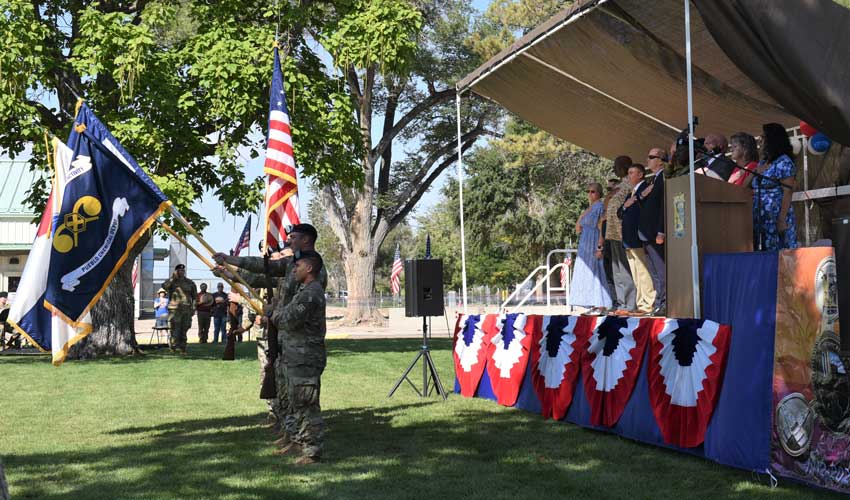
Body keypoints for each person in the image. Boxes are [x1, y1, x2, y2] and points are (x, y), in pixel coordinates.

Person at [213, 223, 327, 455]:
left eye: (293, 237)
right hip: (287, 342)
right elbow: (266, 270)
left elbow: (291, 312)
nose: (289, 241)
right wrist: (230, 266)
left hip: (302, 344)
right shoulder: (294, 264)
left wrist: (273, 313)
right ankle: (293, 438)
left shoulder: (312, 271)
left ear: (306, 240)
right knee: (289, 396)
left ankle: (310, 448)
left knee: (304, 399)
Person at [273, 250, 327, 465]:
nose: (294, 269)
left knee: (307, 405)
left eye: (298, 266)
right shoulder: (303, 290)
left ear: (309, 268)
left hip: (305, 357)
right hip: (295, 355)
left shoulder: (311, 293)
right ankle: (298, 441)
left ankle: (312, 452)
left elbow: (288, 319)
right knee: (296, 403)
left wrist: (274, 314)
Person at [599, 156, 637, 313]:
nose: (614, 169)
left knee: (625, 268)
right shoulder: (620, 185)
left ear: (624, 167)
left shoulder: (629, 184)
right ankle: (621, 303)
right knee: (616, 269)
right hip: (611, 232)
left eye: (617, 166)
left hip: (622, 231)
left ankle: (630, 303)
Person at [618, 164, 656, 315]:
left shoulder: (646, 188)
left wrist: (635, 200)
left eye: (631, 173)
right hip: (628, 238)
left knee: (643, 273)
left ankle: (648, 304)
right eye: (628, 173)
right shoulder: (630, 193)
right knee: (635, 274)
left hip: (638, 237)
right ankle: (641, 304)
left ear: (640, 174)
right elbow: (619, 212)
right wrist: (626, 206)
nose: (629, 176)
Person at [753, 123, 798, 250]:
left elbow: (787, 192)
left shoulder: (784, 162)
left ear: (773, 139)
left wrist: (782, 219)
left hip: (776, 216)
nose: (760, 140)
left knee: (778, 253)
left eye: (763, 137)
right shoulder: (763, 162)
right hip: (760, 217)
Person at [569, 182, 612, 311]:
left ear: (599, 193)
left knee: (595, 271)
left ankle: (600, 302)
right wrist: (582, 215)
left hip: (593, 241)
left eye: (593, 191)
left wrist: (599, 247)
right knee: (586, 271)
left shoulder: (600, 207)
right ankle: (589, 301)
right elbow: (578, 229)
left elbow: (601, 229)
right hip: (584, 243)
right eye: (588, 191)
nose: (590, 194)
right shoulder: (589, 208)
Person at [638, 148, 667, 316]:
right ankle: (658, 302)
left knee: (660, 270)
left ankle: (663, 303)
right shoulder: (652, 180)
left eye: (651, 157)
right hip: (646, 232)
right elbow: (644, 203)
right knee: (653, 272)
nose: (647, 160)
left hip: (655, 232)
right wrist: (642, 195)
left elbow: (662, 206)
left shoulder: (663, 178)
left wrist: (661, 231)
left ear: (661, 160)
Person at [161, 264, 197, 353]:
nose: (181, 272)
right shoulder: (172, 281)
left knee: (184, 328)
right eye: (179, 270)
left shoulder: (190, 282)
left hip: (186, 309)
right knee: (174, 328)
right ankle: (173, 347)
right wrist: (173, 278)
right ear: (176, 271)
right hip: (174, 309)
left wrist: (193, 307)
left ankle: (182, 347)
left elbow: (195, 297)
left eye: (183, 270)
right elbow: (164, 286)